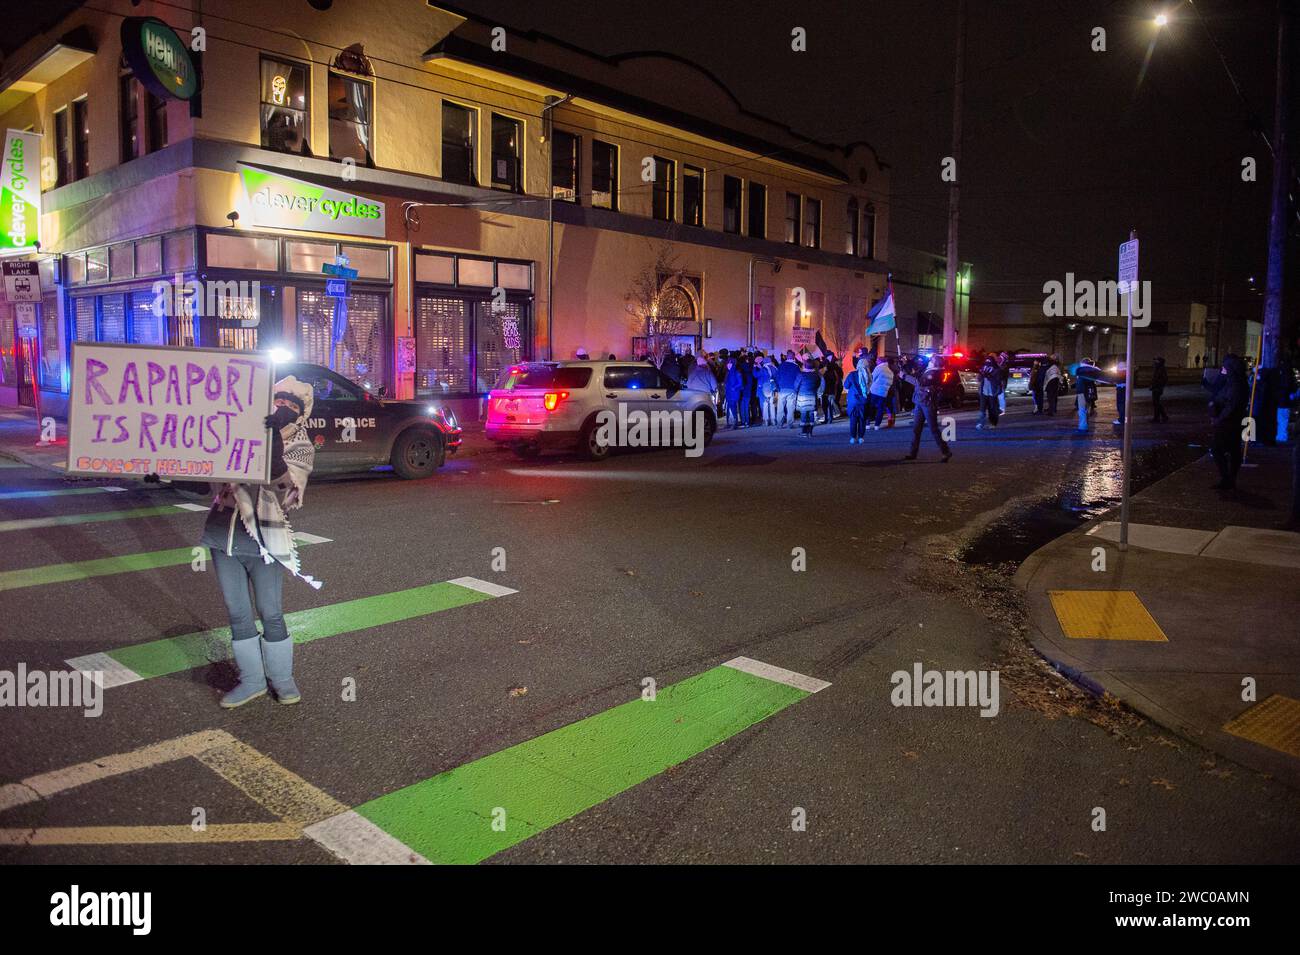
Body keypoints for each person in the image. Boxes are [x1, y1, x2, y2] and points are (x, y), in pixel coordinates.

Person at [200, 376, 320, 708]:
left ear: (300, 415)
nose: (284, 408)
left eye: (292, 407)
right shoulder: (239, 429)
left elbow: (288, 493)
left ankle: (282, 679)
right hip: (223, 538)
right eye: (279, 401)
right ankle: (251, 680)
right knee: (238, 613)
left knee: (271, 613)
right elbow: (205, 468)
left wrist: (272, 442)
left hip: (266, 543)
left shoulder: (300, 445)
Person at [1207, 354, 1248, 490]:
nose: (1223, 369)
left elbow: (1231, 405)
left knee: (1218, 449)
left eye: (1225, 367)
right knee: (1232, 450)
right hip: (1230, 422)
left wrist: (1219, 418)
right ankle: (1229, 479)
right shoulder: (1234, 382)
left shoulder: (1236, 384)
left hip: (1228, 423)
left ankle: (1227, 478)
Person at [901, 357, 952, 462]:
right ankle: (913, 452)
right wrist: (906, 364)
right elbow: (916, 372)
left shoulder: (935, 373)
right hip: (920, 401)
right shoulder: (929, 370)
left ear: (935, 363)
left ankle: (945, 451)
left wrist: (904, 376)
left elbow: (919, 382)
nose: (929, 361)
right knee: (916, 429)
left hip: (928, 402)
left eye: (931, 360)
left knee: (933, 428)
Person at [793, 356, 824, 437]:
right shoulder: (816, 375)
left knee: (803, 414)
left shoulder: (801, 375)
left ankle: (804, 432)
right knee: (811, 414)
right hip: (812, 396)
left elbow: (796, 386)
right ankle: (810, 432)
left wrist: (797, 392)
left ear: (805, 366)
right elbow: (818, 385)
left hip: (802, 397)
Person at [845, 352, 869, 444]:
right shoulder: (869, 376)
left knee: (853, 419)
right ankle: (861, 437)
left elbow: (846, 385)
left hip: (853, 400)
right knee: (862, 420)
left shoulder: (852, 374)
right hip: (863, 401)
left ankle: (852, 437)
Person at [1074, 357, 1102, 432]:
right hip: (1089, 393)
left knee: (1082, 409)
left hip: (1082, 392)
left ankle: (1082, 426)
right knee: (1086, 409)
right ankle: (1084, 424)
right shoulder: (1091, 371)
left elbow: (1081, 382)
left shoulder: (1083, 371)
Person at [868, 353, 894, 430]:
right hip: (883, 393)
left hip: (874, 391)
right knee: (880, 409)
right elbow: (890, 383)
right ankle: (877, 425)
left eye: (877, 360)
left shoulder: (879, 368)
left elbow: (872, 378)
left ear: (880, 361)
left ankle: (867, 424)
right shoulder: (890, 371)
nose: (876, 361)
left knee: (870, 407)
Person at [976, 354, 1002, 428]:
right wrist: (982, 374)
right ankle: (981, 423)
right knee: (982, 409)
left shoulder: (996, 369)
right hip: (984, 392)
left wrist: (989, 376)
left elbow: (997, 380)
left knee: (992, 409)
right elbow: (979, 379)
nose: (987, 363)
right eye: (986, 361)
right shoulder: (983, 368)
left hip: (992, 392)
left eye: (989, 361)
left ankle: (993, 423)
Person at [776, 350, 800, 428]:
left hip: (782, 389)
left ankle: (779, 424)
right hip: (792, 389)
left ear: (786, 356)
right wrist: (796, 388)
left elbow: (777, 377)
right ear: (793, 357)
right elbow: (798, 378)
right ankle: (790, 424)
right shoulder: (796, 366)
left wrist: (778, 387)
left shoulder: (781, 365)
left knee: (780, 407)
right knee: (790, 407)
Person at [755, 354, 778, 426]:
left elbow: (755, 375)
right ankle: (773, 419)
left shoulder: (764, 368)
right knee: (772, 404)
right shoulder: (775, 368)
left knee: (764, 404)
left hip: (764, 389)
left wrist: (755, 367)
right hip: (773, 388)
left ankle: (766, 420)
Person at [723, 358, 745, 429]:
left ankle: (734, 423)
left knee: (733, 407)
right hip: (728, 392)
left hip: (734, 393)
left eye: (730, 364)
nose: (728, 365)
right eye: (728, 364)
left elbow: (740, 383)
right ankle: (729, 422)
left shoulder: (737, 372)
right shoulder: (728, 372)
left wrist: (734, 387)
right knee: (729, 407)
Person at [1150, 355, 1169, 423]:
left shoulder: (1161, 369)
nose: (1155, 361)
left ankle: (1161, 417)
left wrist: (1157, 385)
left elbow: (1164, 379)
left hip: (1157, 388)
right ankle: (1160, 417)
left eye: (1156, 360)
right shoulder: (1157, 368)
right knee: (1156, 403)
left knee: (1156, 403)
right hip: (1156, 387)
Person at [1113, 358, 1129, 426]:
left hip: (1121, 389)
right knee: (1123, 405)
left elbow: (1117, 379)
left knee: (1121, 405)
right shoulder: (1126, 372)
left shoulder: (1121, 373)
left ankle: (1121, 420)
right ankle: (1124, 419)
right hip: (1123, 388)